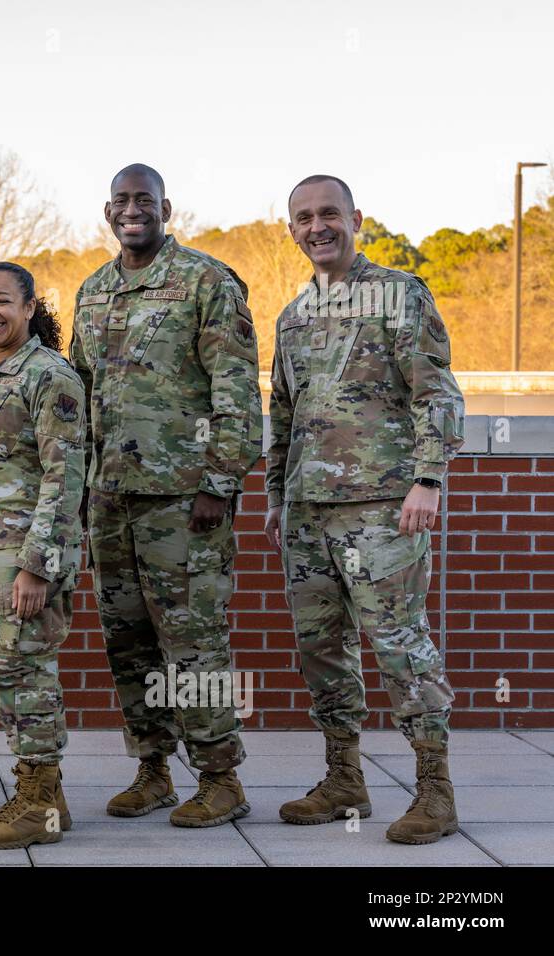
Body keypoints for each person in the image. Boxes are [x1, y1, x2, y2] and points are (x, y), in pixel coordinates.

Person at [267, 174, 464, 845]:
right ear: (291, 229)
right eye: (303, 217)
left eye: (329, 214)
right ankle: (343, 778)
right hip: (307, 515)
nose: (317, 227)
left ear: (357, 219)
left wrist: (428, 479)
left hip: (383, 508)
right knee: (322, 651)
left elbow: (435, 392)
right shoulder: (291, 316)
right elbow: (282, 416)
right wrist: (275, 497)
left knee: (400, 646)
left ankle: (435, 790)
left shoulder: (398, 294)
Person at [70, 163, 263, 827]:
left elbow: (237, 390)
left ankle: (220, 777)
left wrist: (221, 482)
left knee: (194, 641)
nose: (133, 210)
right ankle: (151, 768)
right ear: (107, 210)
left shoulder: (206, 281)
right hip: (109, 500)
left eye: (144, 200)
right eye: (122, 200)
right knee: (128, 641)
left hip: (183, 500)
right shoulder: (92, 291)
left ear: (165, 208)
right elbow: (79, 393)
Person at [0, 262, 86, 849]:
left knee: (27, 672)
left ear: (30, 307)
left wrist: (37, 565)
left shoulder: (50, 376)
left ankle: (39, 801)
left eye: (3, 301)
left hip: (25, 557)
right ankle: (41, 792)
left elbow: (65, 475)